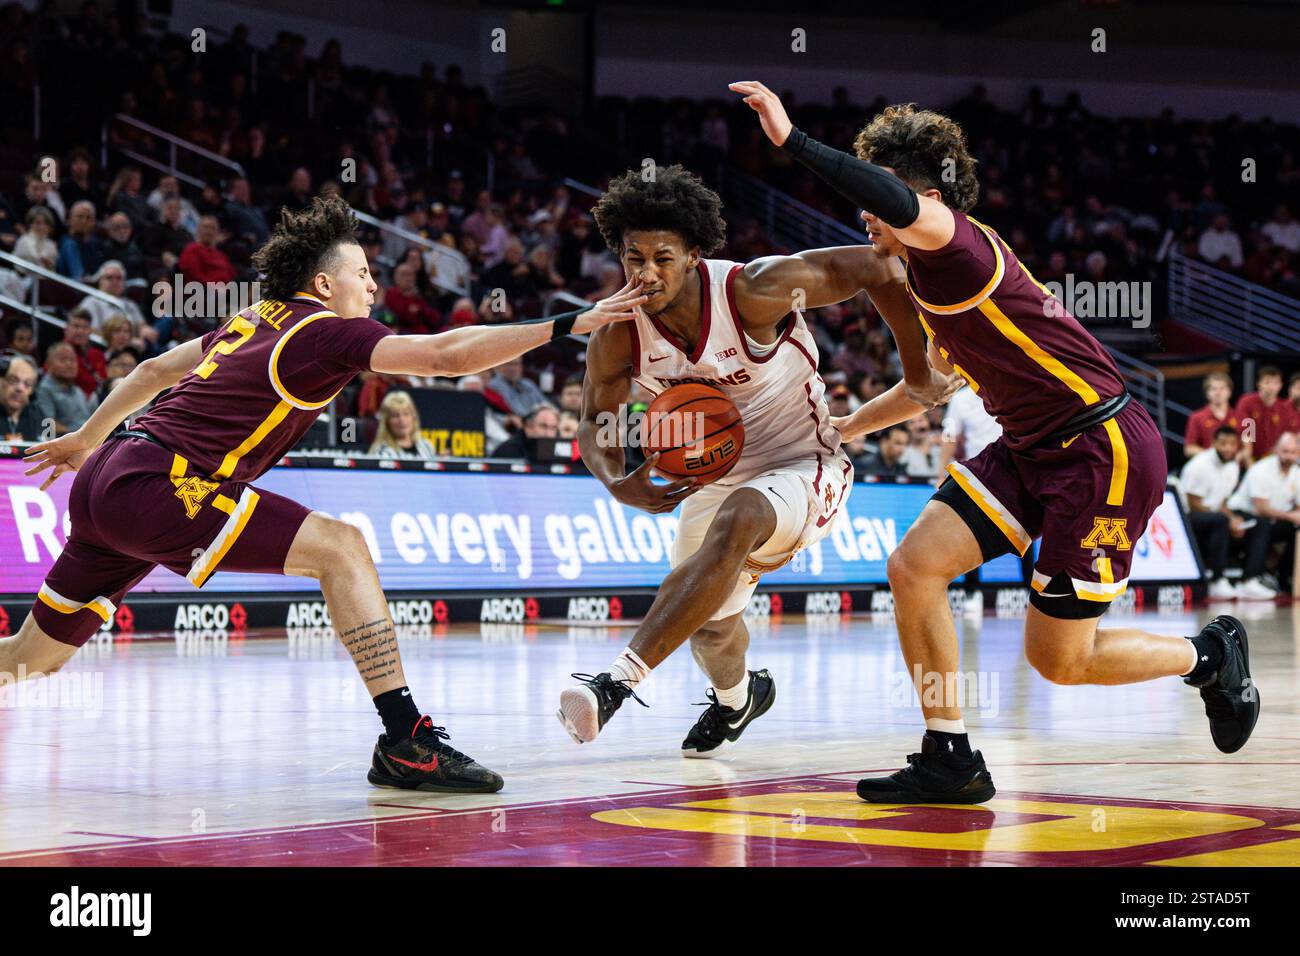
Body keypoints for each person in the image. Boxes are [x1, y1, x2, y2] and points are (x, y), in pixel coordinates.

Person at [730, 79, 1258, 803]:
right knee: (915, 567)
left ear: (925, 201)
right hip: (1030, 450)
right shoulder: (926, 277)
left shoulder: (958, 243)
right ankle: (950, 754)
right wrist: (844, 428)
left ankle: (1208, 655)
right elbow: (928, 388)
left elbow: (891, 201)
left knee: (1060, 661)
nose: (867, 210)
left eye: (884, 193)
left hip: (1101, 452)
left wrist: (791, 141)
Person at [11, 196, 648, 795]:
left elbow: (152, 371)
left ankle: (404, 740)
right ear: (323, 284)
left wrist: (86, 439)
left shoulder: (254, 319)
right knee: (341, 548)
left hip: (107, 476)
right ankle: (406, 739)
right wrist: (569, 323)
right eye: (363, 273)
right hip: (164, 485)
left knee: (27, 659)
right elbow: (444, 354)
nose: (373, 286)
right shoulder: (324, 333)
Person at [556, 163, 954, 755]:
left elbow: (880, 265)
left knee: (741, 517)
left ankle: (615, 684)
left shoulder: (754, 290)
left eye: (662, 258)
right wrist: (616, 479)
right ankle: (741, 699)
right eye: (633, 259)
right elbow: (594, 422)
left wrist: (918, 371)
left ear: (693, 254)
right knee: (710, 629)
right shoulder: (617, 332)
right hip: (714, 472)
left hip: (806, 462)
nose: (646, 274)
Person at [1227, 432, 1300, 599]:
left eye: (1292, 452)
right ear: (1276, 450)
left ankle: (1285, 578)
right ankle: (1248, 581)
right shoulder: (1261, 469)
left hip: (1274, 518)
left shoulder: (1296, 472)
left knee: (1295, 531)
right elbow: (1260, 508)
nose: (1288, 456)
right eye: (1285, 451)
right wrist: (1292, 516)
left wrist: (1294, 516)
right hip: (1242, 514)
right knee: (1262, 524)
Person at [1179, 426, 1247, 599]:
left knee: (1255, 522)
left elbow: (1222, 501)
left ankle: (1250, 579)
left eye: (1232, 444)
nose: (1228, 448)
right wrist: (1225, 518)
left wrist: (1233, 518)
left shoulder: (1233, 466)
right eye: (1223, 443)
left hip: (1215, 514)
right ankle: (1218, 580)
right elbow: (1193, 504)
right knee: (1220, 521)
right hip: (1187, 518)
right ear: (1214, 443)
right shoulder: (1199, 465)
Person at [938, 382, 1002, 480]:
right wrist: (941, 475)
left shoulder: (1007, 393)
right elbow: (949, 435)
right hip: (975, 472)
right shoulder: (960, 399)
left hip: (1008, 468)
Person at [1234, 365, 1297, 462]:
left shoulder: (1283, 408)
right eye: (1267, 382)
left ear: (1280, 385)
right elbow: (1246, 433)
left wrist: (1270, 460)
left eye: (1275, 383)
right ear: (1259, 384)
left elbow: (1284, 437)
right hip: (1248, 457)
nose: (1271, 387)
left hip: (1272, 459)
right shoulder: (1247, 402)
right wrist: (1249, 457)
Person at [35, 341, 99, 434]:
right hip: (67, 443)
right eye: (63, 360)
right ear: (48, 364)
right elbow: (48, 425)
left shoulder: (78, 391)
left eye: (72, 360)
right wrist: (79, 435)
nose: (69, 364)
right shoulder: (44, 389)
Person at [1184, 372, 1240, 460]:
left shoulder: (1241, 416)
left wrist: (1233, 459)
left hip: (1235, 466)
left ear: (1229, 391)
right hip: (1208, 467)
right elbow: (1188, 449)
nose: (1218, 392)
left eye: (1222, 388)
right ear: (1207, 393)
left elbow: (1248, 447)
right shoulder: (1196, 417)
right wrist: (1215, 456)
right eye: (1213, 389)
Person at [369, 389, 437, 459]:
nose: (402, 420)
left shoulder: (426, 446)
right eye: (395, 415)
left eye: (406, 414)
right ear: (386, 421)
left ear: (414, 417)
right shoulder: (381, 453)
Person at [491, 403, 560, 460]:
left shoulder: (559, 450)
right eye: (543, 426)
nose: (548, 434)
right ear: (528, 427)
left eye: (553, 428)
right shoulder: (508, 452)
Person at [1, 356, 42, 442]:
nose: (20, 388)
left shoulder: (37, 414)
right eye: (13, 380)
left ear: (32, 391)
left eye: (27, 384)